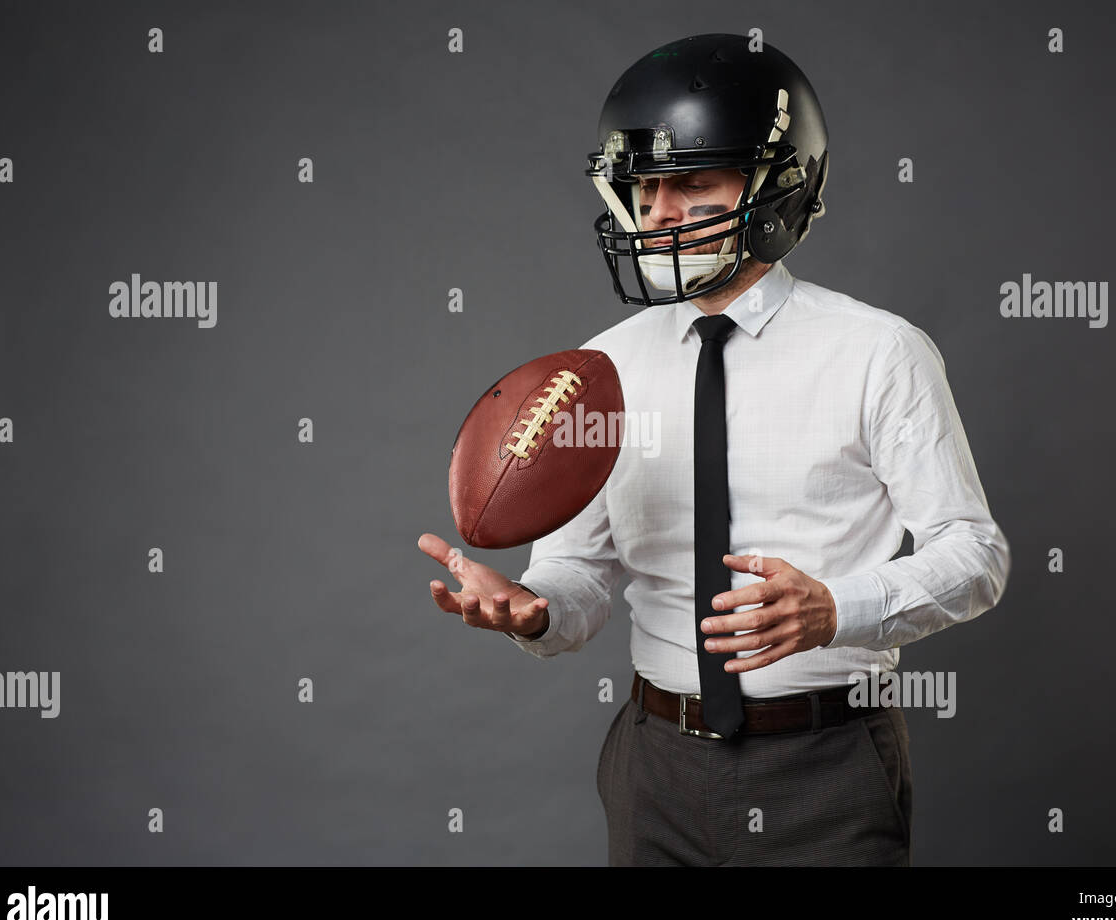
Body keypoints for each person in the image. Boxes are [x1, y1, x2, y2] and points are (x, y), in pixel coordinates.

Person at [418, 33, 1010, 866]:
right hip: (654, 762)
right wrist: (534, 609)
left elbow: (975, 555)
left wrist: (837, 609)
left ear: (775, 188)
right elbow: (581, 571)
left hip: (826, 761)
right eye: (646, 187)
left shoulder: (880, 351)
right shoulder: (601, 368)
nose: (658, 211)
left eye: (691, 183)